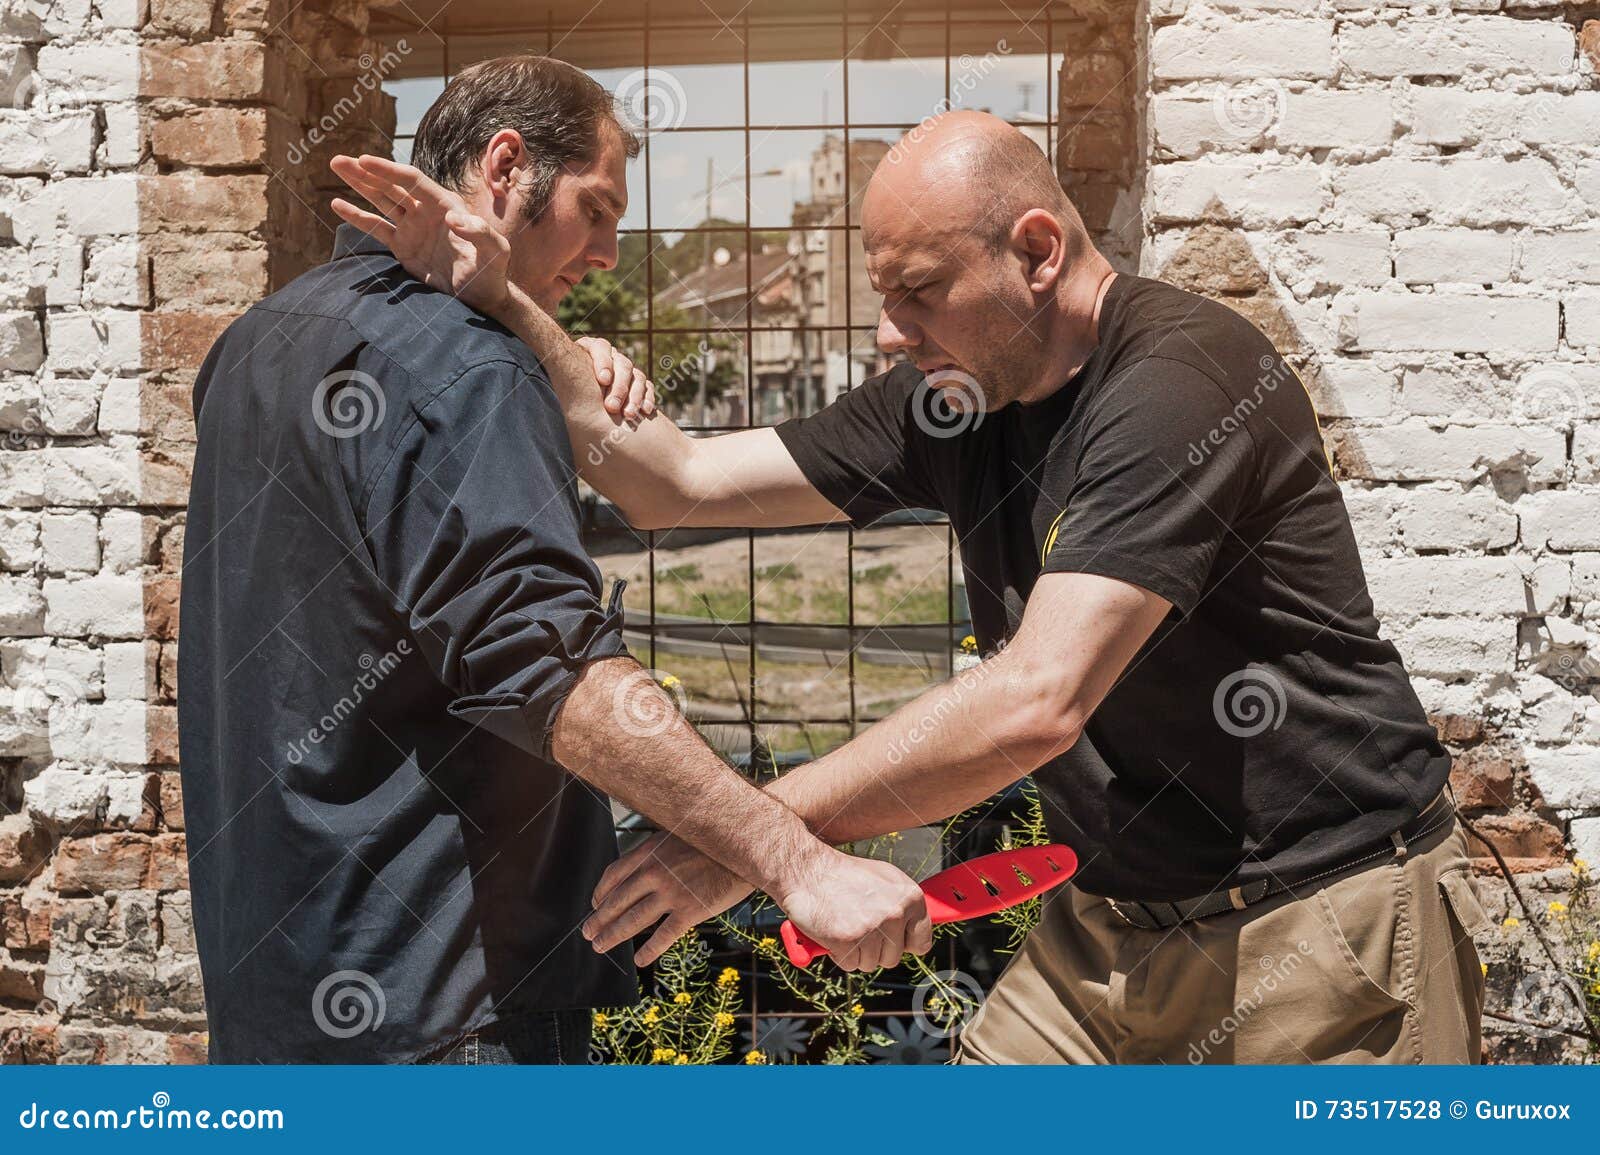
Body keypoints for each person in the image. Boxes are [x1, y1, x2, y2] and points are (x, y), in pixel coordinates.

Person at [331, 107, 1493, 1065]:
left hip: (1316, 924)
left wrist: (748, 839)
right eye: (883, 292)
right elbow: (673, 485)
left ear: (1038, 252)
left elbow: (1035, 701)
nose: (888, 333)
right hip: (1106, 931)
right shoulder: (957, 391)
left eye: (919, 291)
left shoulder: (1181, 382)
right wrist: (524, 317)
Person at [178, 55, 928, 1066]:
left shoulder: (259, 342)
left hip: (275, 983)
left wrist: (537, 343)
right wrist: (798, 864)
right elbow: (550, 666)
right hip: (445, 1005)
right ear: (505, 167)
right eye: (598, 208)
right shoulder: (466, 367)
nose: (612, 252)